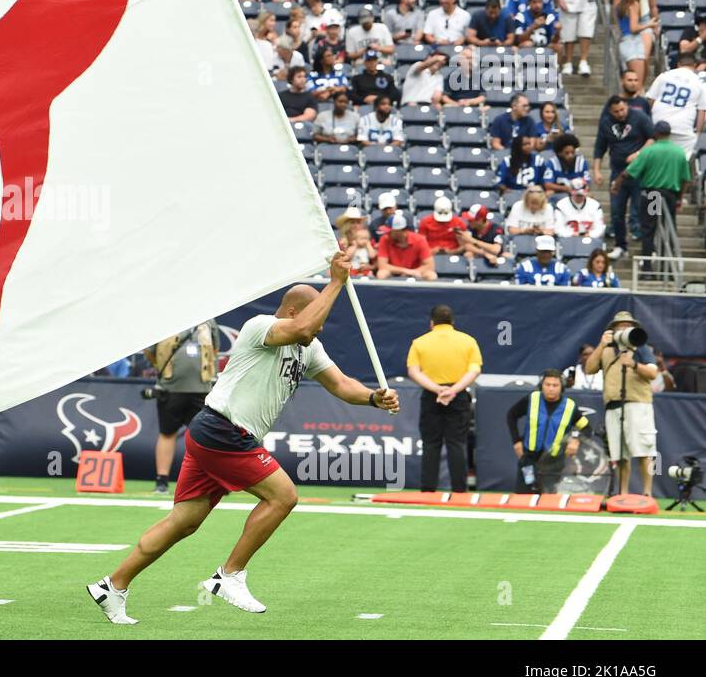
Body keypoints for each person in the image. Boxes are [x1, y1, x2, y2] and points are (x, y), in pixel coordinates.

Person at [87, 252, 398, 624]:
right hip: (225, 431)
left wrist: (373, 398)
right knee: (283, 496)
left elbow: (342, 384)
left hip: (217, 434)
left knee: (185, 521)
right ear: (293, 311)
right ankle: (230, 576)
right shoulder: (261, 326)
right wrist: (335, 282)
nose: (320, 327)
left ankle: (113, 585)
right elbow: (302, 329)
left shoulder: (309, 347)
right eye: (317, 316)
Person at [407, 304, 481, 493]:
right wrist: (453, 390)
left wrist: (437, 389)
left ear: (432, 323)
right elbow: (474, 370)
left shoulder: (419, 342)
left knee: (431, 444)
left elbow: (413, 372)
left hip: (431, 396)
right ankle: (459, 491)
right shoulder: (468, 341)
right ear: (452, 322)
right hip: (458, 396)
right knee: (457, 443)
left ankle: (427, 490)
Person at [583, 311, 658, 497]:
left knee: (644, 450)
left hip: (637, 403)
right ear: (613, 329)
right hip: (613, 405)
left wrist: (633, 364)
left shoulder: (641, 346)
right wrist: (601, 344)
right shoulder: (606, 348)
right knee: (620, 454)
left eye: (627, 325)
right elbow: (589, 369)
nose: (624, 329)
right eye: (620, 326)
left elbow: (653, 374)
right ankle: (622, 493)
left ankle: (647, 493)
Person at [144, 321, 220, 496]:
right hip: (170, 388)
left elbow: (215, 350)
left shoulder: (209, 321)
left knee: (204, 436)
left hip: (202, 388)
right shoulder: (166, 319)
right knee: (167, 433)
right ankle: (162, 480)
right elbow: (149, 351)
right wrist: (163, 367)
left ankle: (210, 479)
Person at [619, 120, 693, 263]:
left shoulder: (649, 150)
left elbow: (630, 172)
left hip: (653, 195)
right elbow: (686, 179)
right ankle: (667, 265)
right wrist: (679, 198)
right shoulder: (679, 152)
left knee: (649, 229)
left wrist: (617, 183)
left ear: (656, 134)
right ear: (670, 134)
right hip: (670, 195)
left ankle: (647, 265)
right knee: (668, 228)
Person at [593, 94, 655, 259]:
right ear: (610, 111)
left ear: (627, 106)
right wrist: (597, 170)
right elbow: (600, 147)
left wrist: (639, 153)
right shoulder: (606, 122)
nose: (620, 114)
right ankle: (620, 245)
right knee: (616, 211)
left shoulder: (639, 117)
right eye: (616, 111)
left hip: (639, 172)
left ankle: (647, 248)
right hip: (617, 171)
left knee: (641, 210)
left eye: (622, 110)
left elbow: (653, 137)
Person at [507, 370, 589, 493]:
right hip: (529, 459)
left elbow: (587, 428)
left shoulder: (569, 406)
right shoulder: (532, 399)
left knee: (548, 497)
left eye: (555, 385)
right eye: (547, 384)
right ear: (541, 385)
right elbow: (511, 415)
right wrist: (516, 441)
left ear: (562, 387)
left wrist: (576, 441)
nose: (551, 388)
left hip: (553, 463)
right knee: (524, 495)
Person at [645, 53, 706, 160]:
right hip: (682, 128)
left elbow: (651, 100)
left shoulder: (664, 75)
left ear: (678, 64)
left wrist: (648, 121)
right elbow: (702, 111)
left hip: (658, 123)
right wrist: (698, 133)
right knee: (680, 160)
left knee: (656, 157)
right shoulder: (699, 82)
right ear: (695, 65)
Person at [376, 213, 435, 280]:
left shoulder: (419, 240)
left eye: (390, 231)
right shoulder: (384, 239)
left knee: (431, 275)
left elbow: (430, 265)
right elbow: (382, 265)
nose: (387, 233)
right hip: (394, 272)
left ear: (399, 231)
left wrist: (415, 271)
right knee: (381, 274)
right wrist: (405, 271)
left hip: (416, 272)